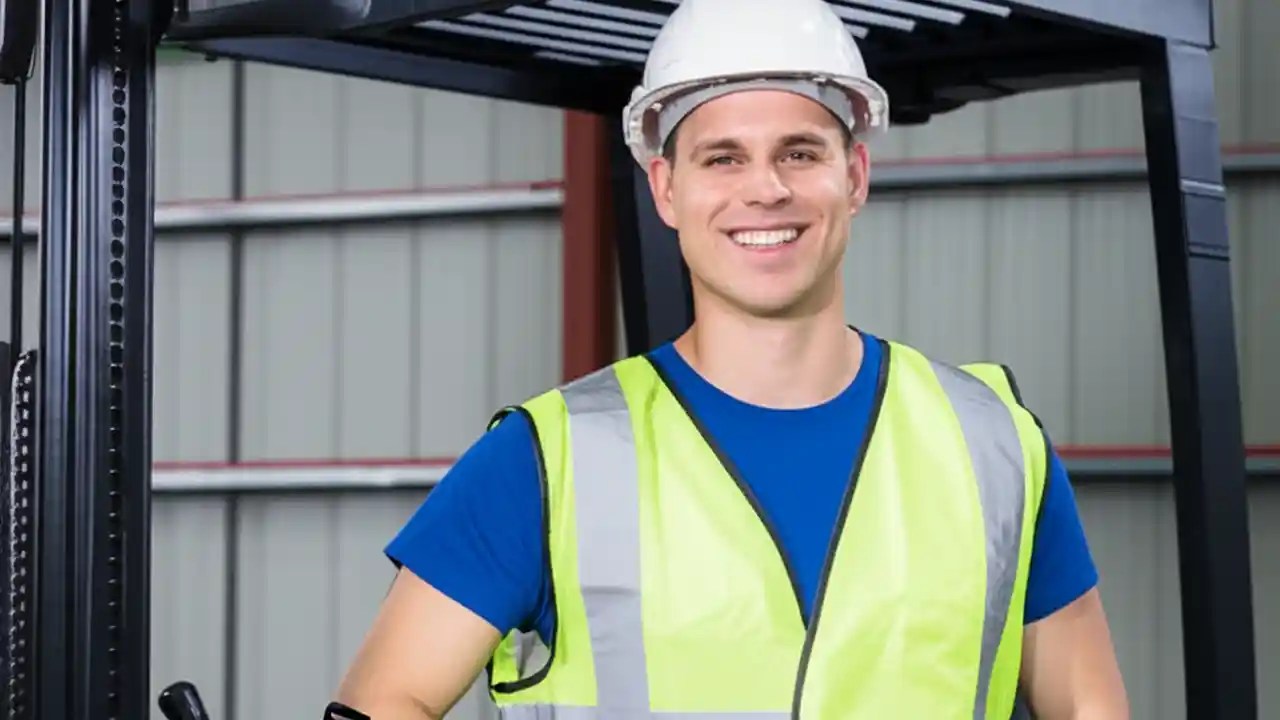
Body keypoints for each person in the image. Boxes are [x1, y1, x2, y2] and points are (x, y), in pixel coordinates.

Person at [333, 0, 1130, 717]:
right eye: (722, 158)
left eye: (799, 153)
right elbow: (382, 700)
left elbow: (1090, 706)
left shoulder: (992, 448)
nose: (766, 190)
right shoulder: (549, 460)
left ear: (852, 176)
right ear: (667, 191)